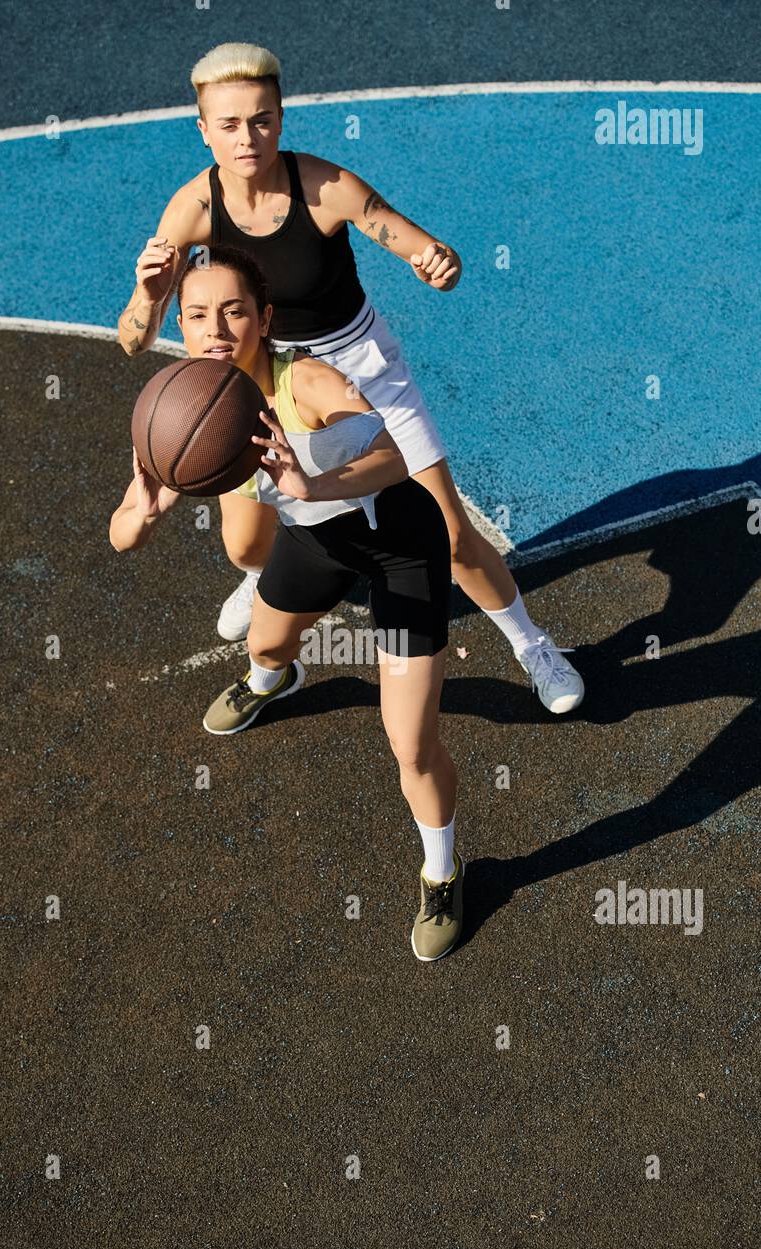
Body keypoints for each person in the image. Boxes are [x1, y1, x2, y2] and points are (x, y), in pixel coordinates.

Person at [116, 41, 585, 716]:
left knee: (447, 531)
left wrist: (436, 260)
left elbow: (413, 241)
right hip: (257, 378)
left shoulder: (325, 187)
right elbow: (134, 339)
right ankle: (270, 581)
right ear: (203, 129)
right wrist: (146, 296)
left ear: (281, 116)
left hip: (356, 366)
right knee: (245, 540)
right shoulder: (191, 209)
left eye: (262, 119)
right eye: (228, 124)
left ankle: (533, 646)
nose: (248, 138)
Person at [110, 244, 466, 963]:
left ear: (264, 318)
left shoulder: (305, 381)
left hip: (396, 548)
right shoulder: (180, 408)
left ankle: (443, 872)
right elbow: (120, 536)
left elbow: (396, 456)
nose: (217, 328)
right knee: (264, 648)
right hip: (316, 547)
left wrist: (312, 486)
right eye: (200, 314)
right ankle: (276, 680)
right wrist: (144, 512)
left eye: (235, 311)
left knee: (411, 744)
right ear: (181, 325)